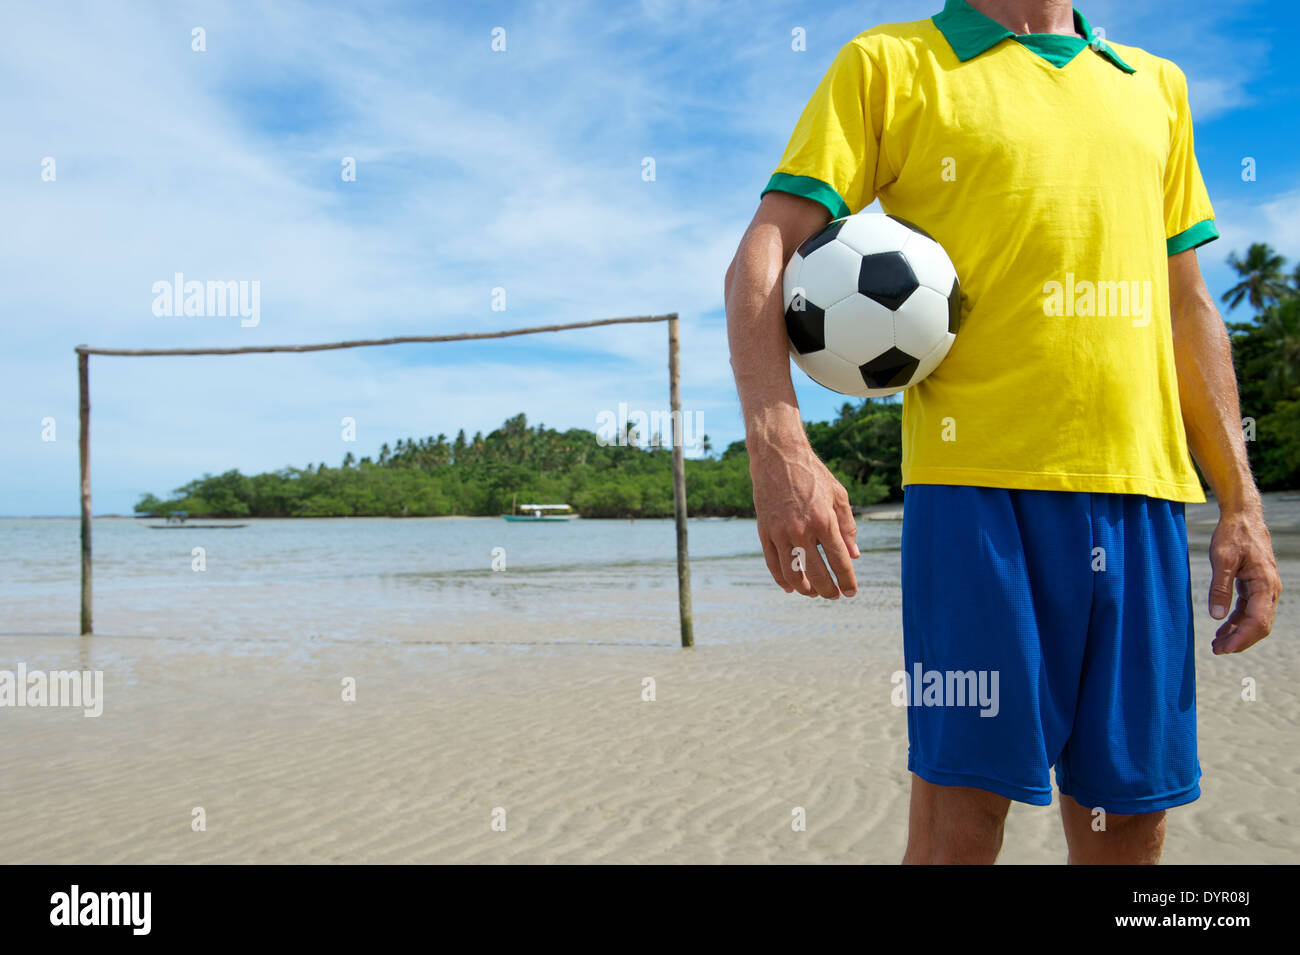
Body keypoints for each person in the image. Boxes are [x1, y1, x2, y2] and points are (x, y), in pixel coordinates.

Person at [724, 0, 1282, 864]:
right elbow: (767, 246)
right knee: (960, 828)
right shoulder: (888, 63)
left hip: (1146, 498)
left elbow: (1187, 305)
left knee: (1130, 827)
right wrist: (779, 444)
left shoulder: (1155, 86)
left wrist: (1241, 505)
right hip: (975, 499)